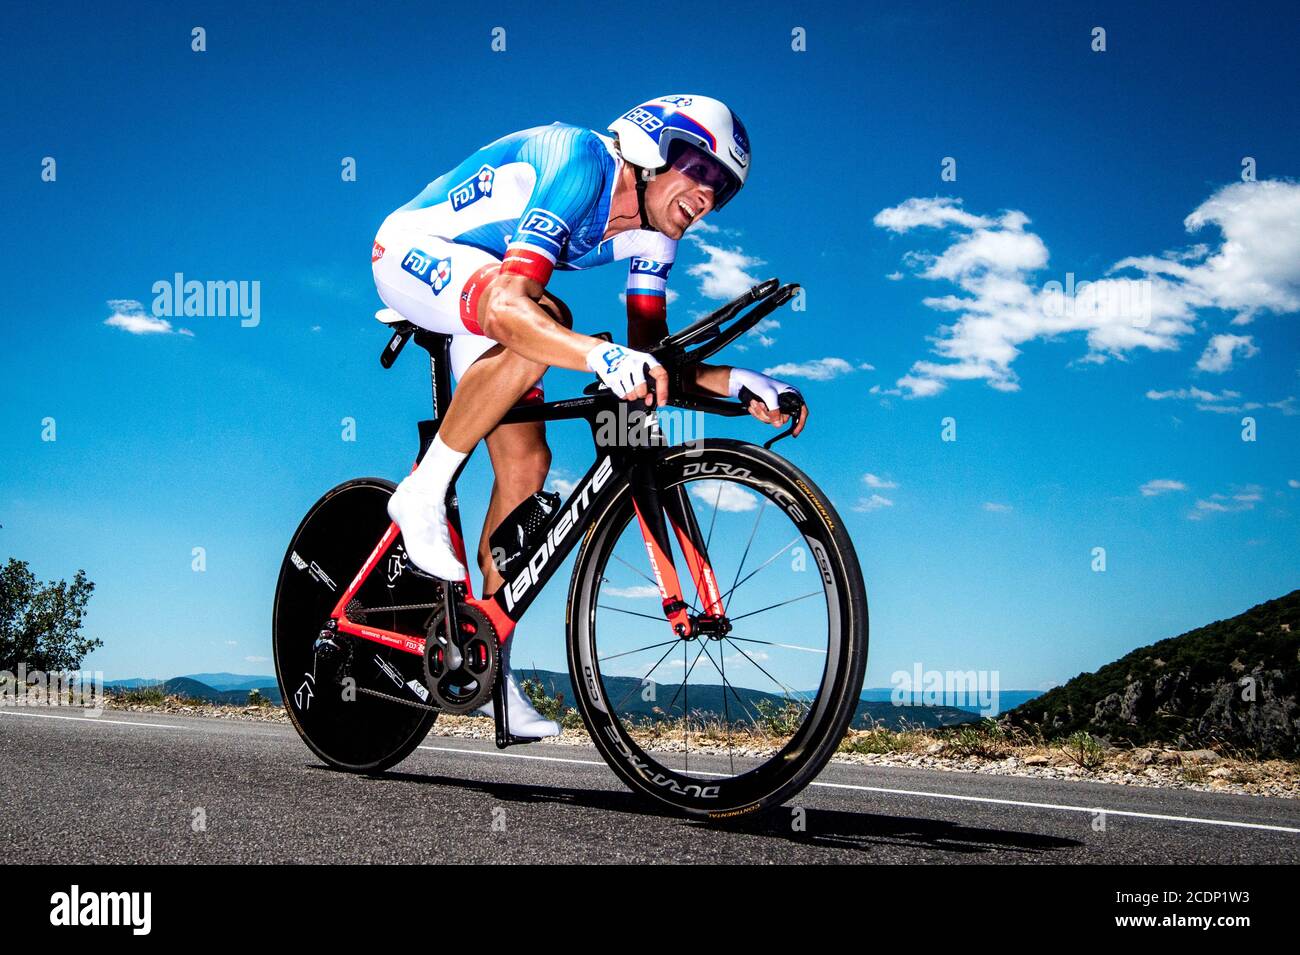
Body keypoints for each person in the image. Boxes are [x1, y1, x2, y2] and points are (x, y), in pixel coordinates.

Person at [370, 95, 807, 737]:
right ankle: (421, 493)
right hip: (416, 253)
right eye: (702, 171)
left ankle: (488, 668)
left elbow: (651, 358)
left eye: (725, 189)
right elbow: (514, 305)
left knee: (528, 468)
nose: (709, 196)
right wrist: (601, 357)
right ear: (654, 148)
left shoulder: (655, 238)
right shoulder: (579, 161)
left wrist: (738, 385)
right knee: (548, 322)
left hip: (489, 289)